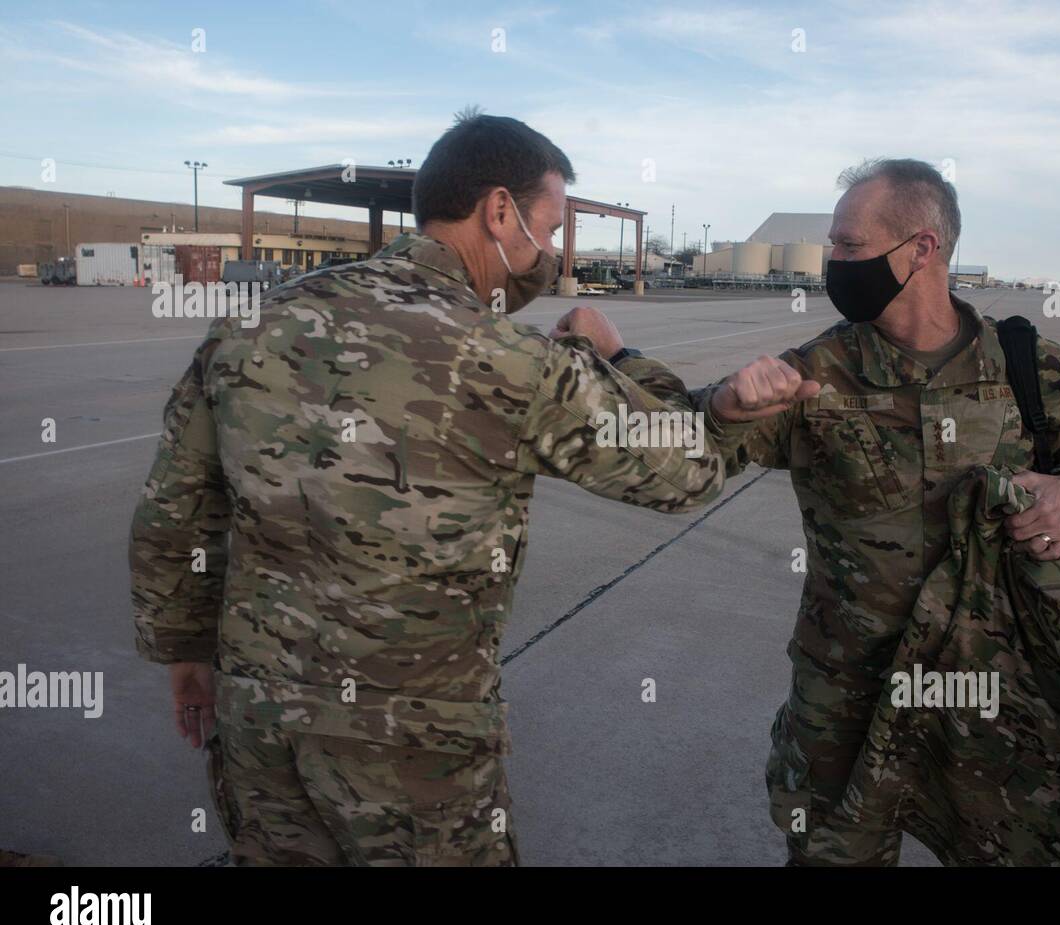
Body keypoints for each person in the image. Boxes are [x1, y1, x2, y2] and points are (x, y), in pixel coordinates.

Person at [129, 109, 810, 866]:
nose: (548, 253)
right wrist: (640, 367)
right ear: (498, 211)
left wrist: (184, 650)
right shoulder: (508, 357)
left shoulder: (253, 323)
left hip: (256, 716)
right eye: (546, 230)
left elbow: (177, 511)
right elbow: (683, 473)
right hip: (416, 740)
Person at [697, 158, 1060, 865]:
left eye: (848, 245)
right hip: (852, 685)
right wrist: (716, 404)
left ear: (921, 248)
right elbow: (697, 450)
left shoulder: (1029, 367)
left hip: (1004, 688)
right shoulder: (816, 374)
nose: (834, 262)